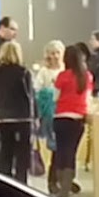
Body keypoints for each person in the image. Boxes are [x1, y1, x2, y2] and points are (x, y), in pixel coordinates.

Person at [0, 41, 35, 183]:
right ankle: (22, 182)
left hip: (4, 117)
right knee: (22, 153)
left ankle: (6, 181)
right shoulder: (24, 72)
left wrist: (1, 106)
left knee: (6, 150)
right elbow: (30, 96)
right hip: (22, 117)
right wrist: (34, 116)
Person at [51, 43, 92, 197]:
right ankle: (66, 186)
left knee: (61, 151)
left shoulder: (62, 76)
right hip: (77, 119)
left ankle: (62, 184)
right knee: (71, 152)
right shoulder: (86, 76)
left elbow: (55, 97)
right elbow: (88, 99)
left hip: (60, 118)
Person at [35, 41, 65, 172]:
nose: (55, 56)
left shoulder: (65, 70)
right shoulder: (44, 71)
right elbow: (37, 88)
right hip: (48, 110)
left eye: (58, 52)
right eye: (52, 53)